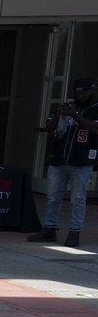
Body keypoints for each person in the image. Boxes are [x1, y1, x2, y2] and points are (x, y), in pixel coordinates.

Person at [30, 78, 98, 246]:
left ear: (92, 92)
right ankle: (49, 229)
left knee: (77, 198)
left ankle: (74, 232)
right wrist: (60, 114)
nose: (80, 96)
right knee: (53, 197)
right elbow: (49, 128)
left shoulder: (95, 109)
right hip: (59, 159)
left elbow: (95, 129)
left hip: (81, 161)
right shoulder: (66, 106)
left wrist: (74, 115)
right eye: (77, 93)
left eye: (84, 93)